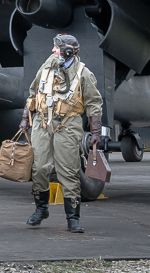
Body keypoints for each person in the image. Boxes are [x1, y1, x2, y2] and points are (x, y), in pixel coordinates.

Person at [20, 34, 103, 233]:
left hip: (68, 124)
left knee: (68, 171)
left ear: (67, 51)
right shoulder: (46, 67)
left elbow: (94, 103)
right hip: (42, 123)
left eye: (56, 48)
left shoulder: (84, 74)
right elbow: (33, 93)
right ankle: (41, 209)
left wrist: (95, 132)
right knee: (39, 168)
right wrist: (25, 119)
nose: (52, 51)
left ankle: (73, 218)